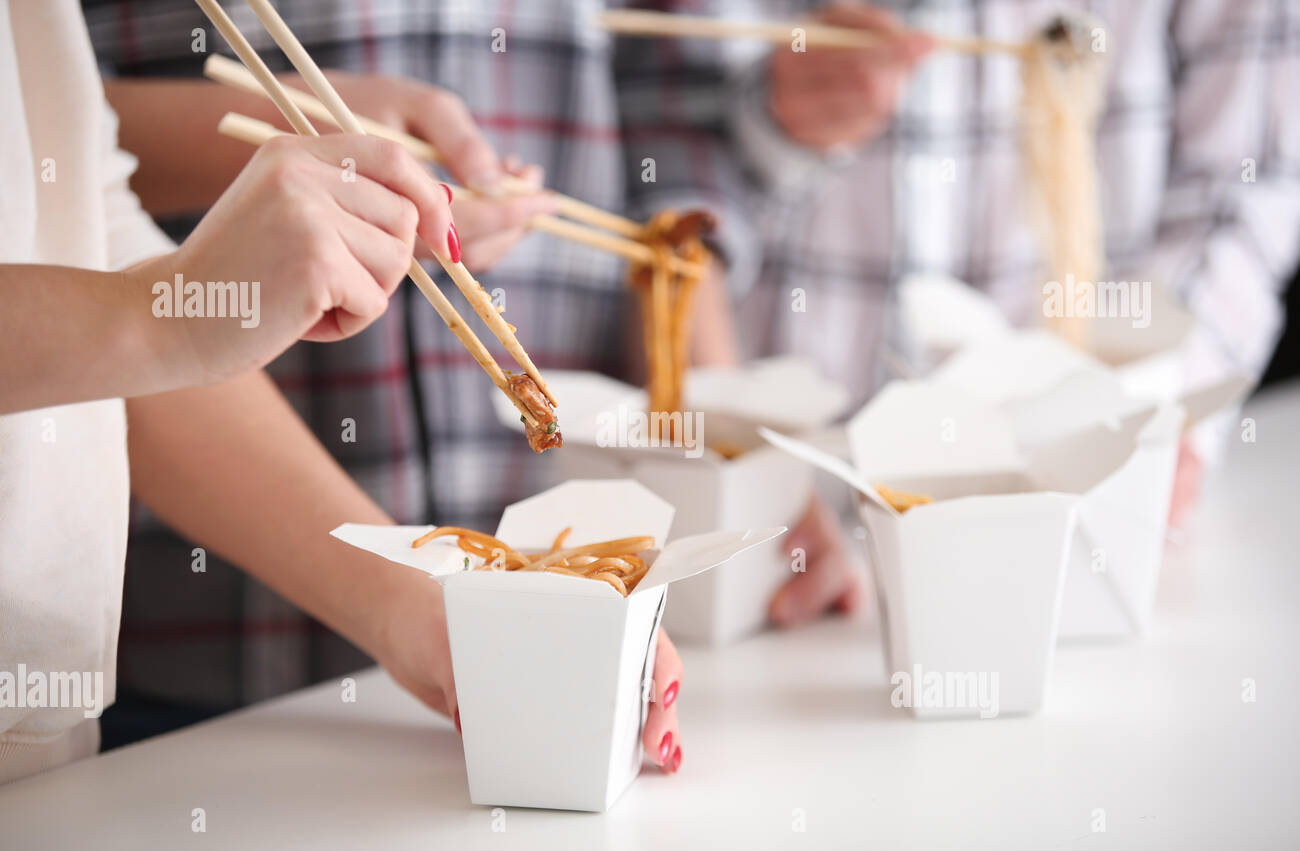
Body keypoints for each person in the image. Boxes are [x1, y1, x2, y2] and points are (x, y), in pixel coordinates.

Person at [0, 0, 683, 783]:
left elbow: (86, 254)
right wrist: (162, 316)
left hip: (43, 758)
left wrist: (419, 607)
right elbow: (137, 318)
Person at [626, 0, 1300, 624]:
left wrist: (1171, 402)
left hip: (1094, 519)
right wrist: (761, 126)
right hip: (790, 517)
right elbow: (657, 162)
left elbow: (1249, 176)